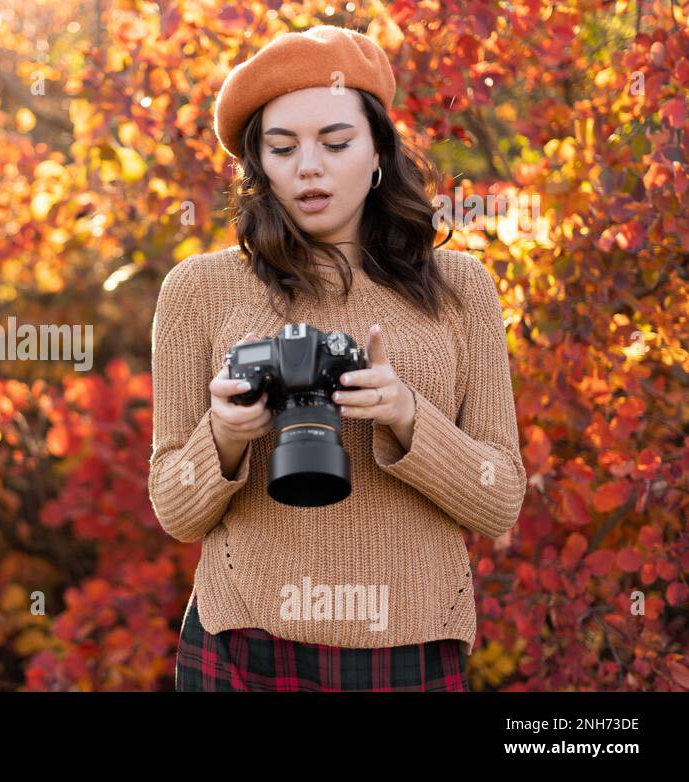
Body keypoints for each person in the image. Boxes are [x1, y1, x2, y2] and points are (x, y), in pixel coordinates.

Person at [150, 25, 527, 691]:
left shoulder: (461, 287)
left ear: (378, 150)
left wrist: (407, 415)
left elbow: (499, 502)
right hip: (243, 644)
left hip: (409, 647)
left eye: (336, 141)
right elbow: (176, 512)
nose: (309, 167)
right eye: (283, 147)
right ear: (258, 166)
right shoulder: (198, 290)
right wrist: (227, 437)